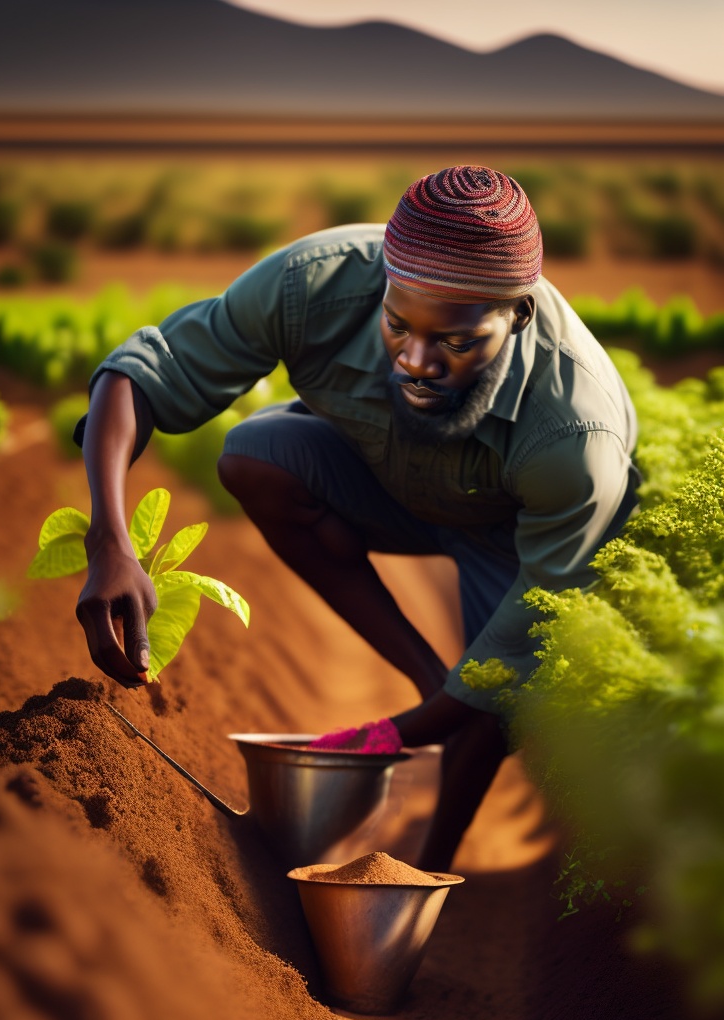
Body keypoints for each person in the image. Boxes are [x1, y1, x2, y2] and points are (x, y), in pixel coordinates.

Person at [75, 166, 639, 871]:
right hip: (388, 483)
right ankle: (425, 676)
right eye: (397, 326)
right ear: (380, 283)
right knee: (254, 455)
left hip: (510, 533)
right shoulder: (311, 285)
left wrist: (366, 742)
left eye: (458, 344)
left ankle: (431, 870)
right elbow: (145, 372)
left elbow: (521, 638)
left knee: (495, 702)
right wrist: (110, 540)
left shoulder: (574, 436)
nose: (416, 361)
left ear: (518, 315)